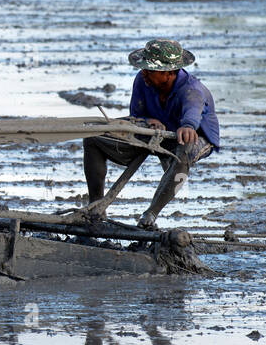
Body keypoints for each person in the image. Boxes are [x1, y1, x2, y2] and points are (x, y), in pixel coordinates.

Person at [82, 38, 219, 229]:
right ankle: (95, 207)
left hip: (192, 135)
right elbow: (136, 115)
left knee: (186, 148)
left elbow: (192, 113)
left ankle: (151, 214)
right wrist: (147, 121)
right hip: (154, 132)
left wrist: (187, 126)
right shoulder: (142, 80)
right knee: (93, 138)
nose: (144, 72)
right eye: (144, 68)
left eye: (150, 70)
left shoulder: (191, 89)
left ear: (169, 73)